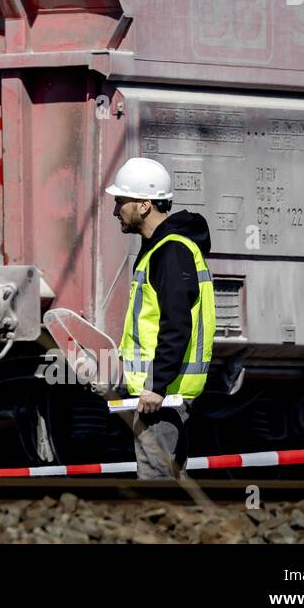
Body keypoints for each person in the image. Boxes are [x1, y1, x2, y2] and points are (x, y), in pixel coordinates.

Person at [105, 156, 216, 479]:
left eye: (121, 202)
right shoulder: (161, 249)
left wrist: (156, 385)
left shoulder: (170, 251)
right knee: (169, 479)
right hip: (162, 394)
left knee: (156, 482)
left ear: (143, 205)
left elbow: (176, 323)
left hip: (163, 396)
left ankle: (158, 530)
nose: (116, 211)